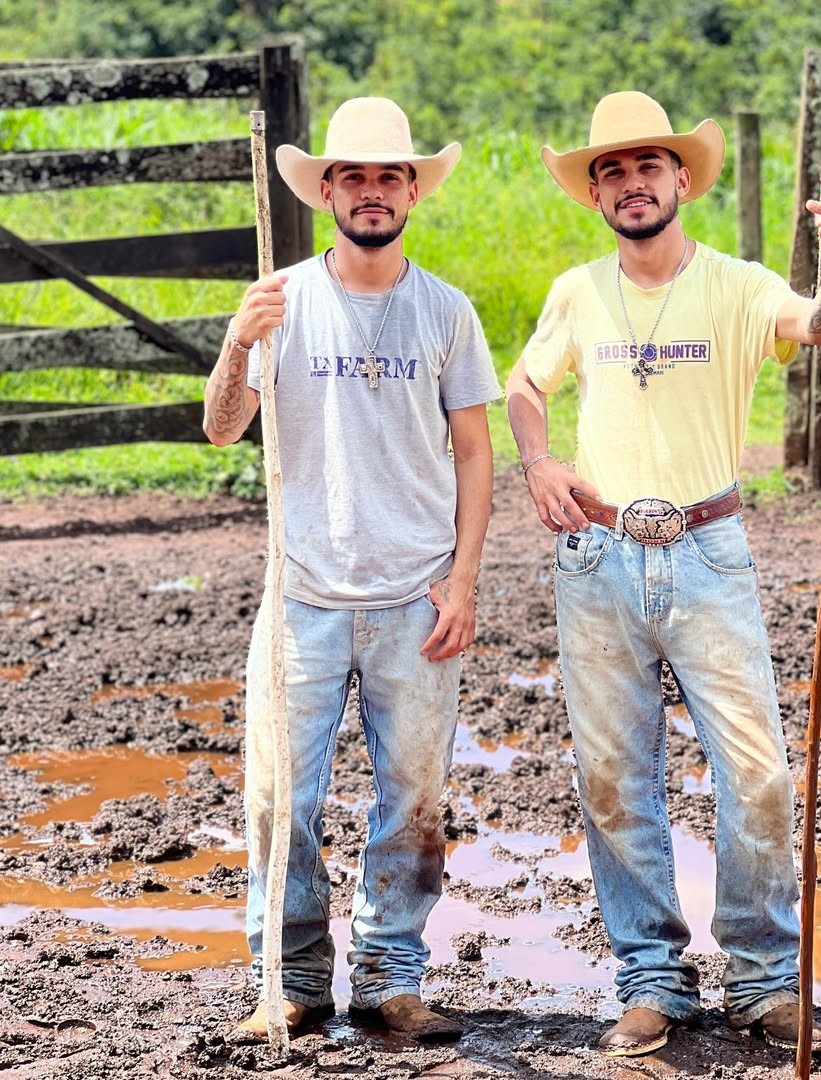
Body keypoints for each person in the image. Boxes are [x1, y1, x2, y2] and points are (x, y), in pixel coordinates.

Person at [506, 91, 821, 1058]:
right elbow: (525, 384)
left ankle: (762, 980)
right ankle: (651, 979)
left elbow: (818, 329)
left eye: (647, 166)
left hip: (708, 550)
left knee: (757, 773)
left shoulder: (738, 286)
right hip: (600, 552)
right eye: (611, 172)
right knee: (616, 776)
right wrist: (539, 462)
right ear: (596, 194)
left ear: (679, 180)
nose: (631, 184)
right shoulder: (579, 291)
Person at [202, 97, 501, 1042]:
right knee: (281, 796)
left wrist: (461, 582)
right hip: (302, 597)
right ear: (326, 190)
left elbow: (476, 454)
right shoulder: (280, 303)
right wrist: (236, 341)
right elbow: (221, 428)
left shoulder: (446, 311)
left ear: (412, 190)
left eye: (389, 178)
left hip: (414, 596)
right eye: (354, 178)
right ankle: (289, 979)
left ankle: (388, 976)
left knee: (412, 798)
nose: (372, 193)